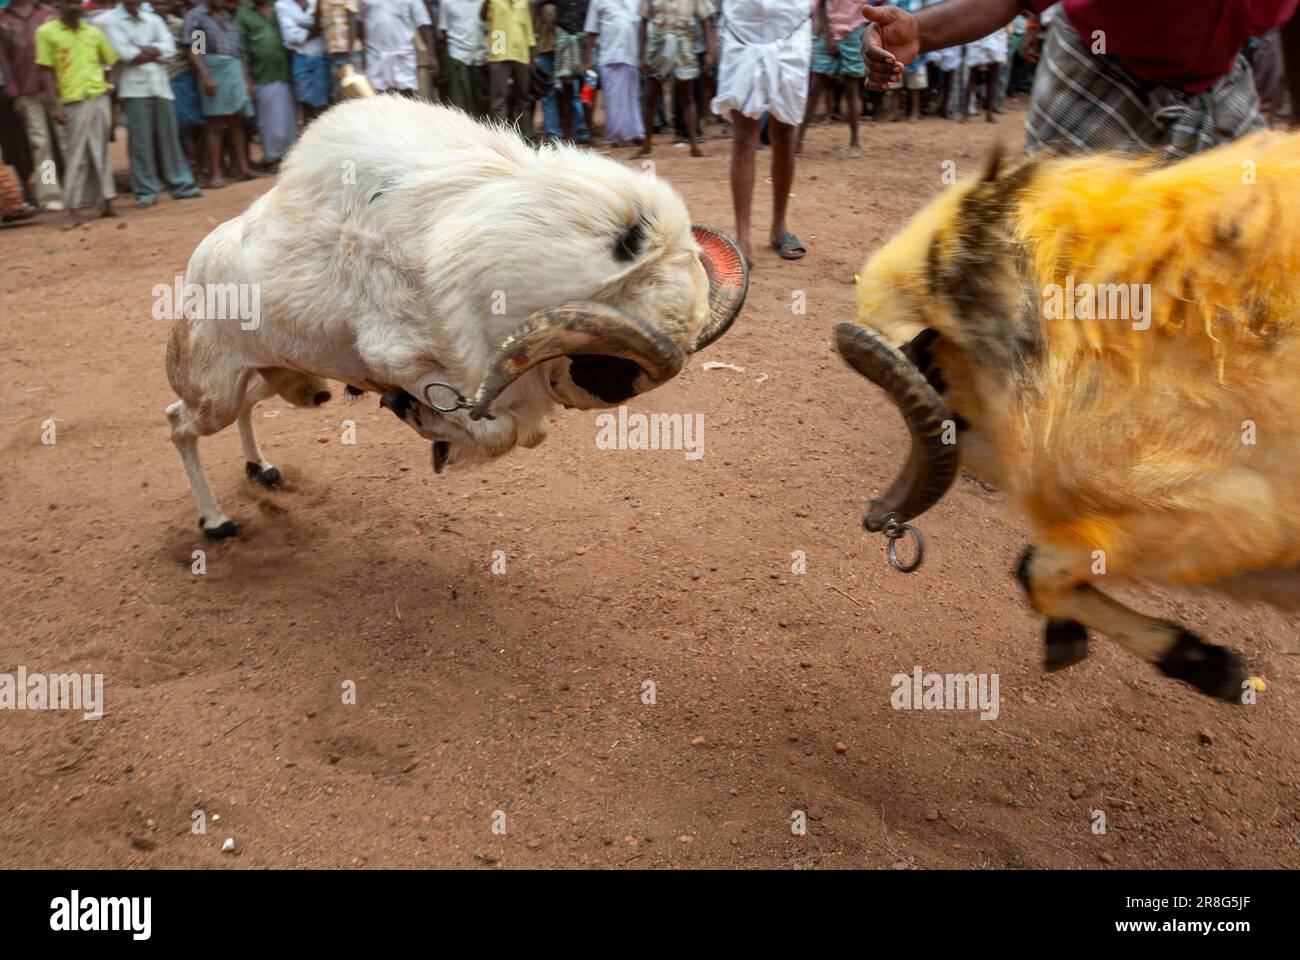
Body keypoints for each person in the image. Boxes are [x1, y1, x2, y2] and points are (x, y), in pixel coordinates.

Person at [862, 0, 1300, 161]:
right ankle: (943, 354)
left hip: (1215, 79)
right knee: (1062, 255)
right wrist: (919, 30)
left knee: (1259, 234)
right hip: (1097, 65)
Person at [711, 0, 813, 262]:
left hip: (792, 24)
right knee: (744, 135)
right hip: (742, 26)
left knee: (785, 135)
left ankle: (779, 227)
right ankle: (742, 238)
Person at [101, 0, 201, 206]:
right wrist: (153, 51)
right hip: (133, 88)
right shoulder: (109, 21)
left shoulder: (152, 19)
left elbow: (169, 50)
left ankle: (182, 185)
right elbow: (125, 54)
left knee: (169, 139)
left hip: (160, 85)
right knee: (140, 143)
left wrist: (143, 50)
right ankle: (146, 191)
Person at [35, 0, 118, 228]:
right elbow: (46, 71)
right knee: (76, 157)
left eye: (77, 2)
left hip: (98, 98)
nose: (75, 6)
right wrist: (56, 107)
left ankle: (107, 202)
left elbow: (112, 61)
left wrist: (110, 87)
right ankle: (72, 209)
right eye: (69, 2)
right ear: (59, 5)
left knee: (100, 153)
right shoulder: (46, 32)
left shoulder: (93, 31)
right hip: (72, 101)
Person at [183, 0, 256, 186]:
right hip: (214, 70)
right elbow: (195, 49)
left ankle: (242, 168)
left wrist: (246, 78)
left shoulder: (227, 16)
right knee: (214, 123)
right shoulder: (198, 16)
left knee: (237, 120)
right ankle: (216, 174)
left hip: (233, 70)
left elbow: (239, 52)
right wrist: (205, 76)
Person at [0, 0, 63, 210]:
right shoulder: (3, 18)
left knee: (66, 140)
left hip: (58, 87)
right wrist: (13, 92)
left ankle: (77, 188)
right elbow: (3, 60)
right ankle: (51, 194)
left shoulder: (48, 12)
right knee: (41, 144)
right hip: (26, 89)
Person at [634, 0, 714, 157]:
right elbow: (643, 22)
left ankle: (694, 145)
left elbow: (706, 21)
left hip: (683, 43)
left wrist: (710, 51)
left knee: (687, 96)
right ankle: (646, 144)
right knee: (651, 95)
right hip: (658, 44)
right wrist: (641, 55)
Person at [797, 0, 865, 155]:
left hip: (854, 33)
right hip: (829, 31)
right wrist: (828, 36)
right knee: (814, 88)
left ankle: (855, 142)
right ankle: (798, 138)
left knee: (851, 90)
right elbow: (820, 5)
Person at [236, 0, 297, 167]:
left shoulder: (279, 7)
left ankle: (290, 158)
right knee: (266, 121)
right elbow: (242, 50)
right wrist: (246, 78)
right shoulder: (243, 13)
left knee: (287, 118)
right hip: (260, 74)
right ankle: (271, 158)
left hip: (284, 71)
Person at [583, 0, 641, 147]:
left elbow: (643, 27)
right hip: (610, 56)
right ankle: (615, 136)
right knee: (612, 100)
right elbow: (590, 31)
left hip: (631, 56)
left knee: (631, 98)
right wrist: (587, 60)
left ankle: (634, 133)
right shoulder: (597, 2)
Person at [357, 0, 435, 96]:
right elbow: (359, 24)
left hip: (403, 59)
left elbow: (422, 23)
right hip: (375, 58)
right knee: (377, 102)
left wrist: (431, 54)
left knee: (406, 100)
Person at [482, 0, 534, 136]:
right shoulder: (493, 1)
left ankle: (527, 138)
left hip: (520, 54)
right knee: (498, 99)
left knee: (523, 98)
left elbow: (528, 30)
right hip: (499, 52)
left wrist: (532, 56)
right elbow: (482, 17)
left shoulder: (523, 2)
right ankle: (500, 138)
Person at [543, 0, 589, 142]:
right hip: (565, 40)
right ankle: (569, 133)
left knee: (587, 88)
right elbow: (536, 4)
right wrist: (551, 27)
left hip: (584, 41)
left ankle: (586, 130)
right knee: (568, 90)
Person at [275, 0, 329, 120]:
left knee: (322, 104)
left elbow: (325, 23)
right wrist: (317, 28)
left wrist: (302, 25)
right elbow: (292, 37)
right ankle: (308, 136)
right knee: (305, 104)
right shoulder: (282, 4)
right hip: (300, 58)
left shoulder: (317, 1)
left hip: (321, 57)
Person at [438, 0, 488, 114]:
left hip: (481, 59)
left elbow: (496, 30)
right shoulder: (447, 3)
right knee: (459, 105)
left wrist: (497, 57)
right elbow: (444, 32)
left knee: (482, 106)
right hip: (457, 56)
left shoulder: (486, 3)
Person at [318, 0, 358, 99]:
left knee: (356, 91)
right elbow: (318, 18)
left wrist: (350, 54)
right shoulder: (321, 2)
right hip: (333, 52)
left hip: (349, 51)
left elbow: (353, 22)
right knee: (339, 92)